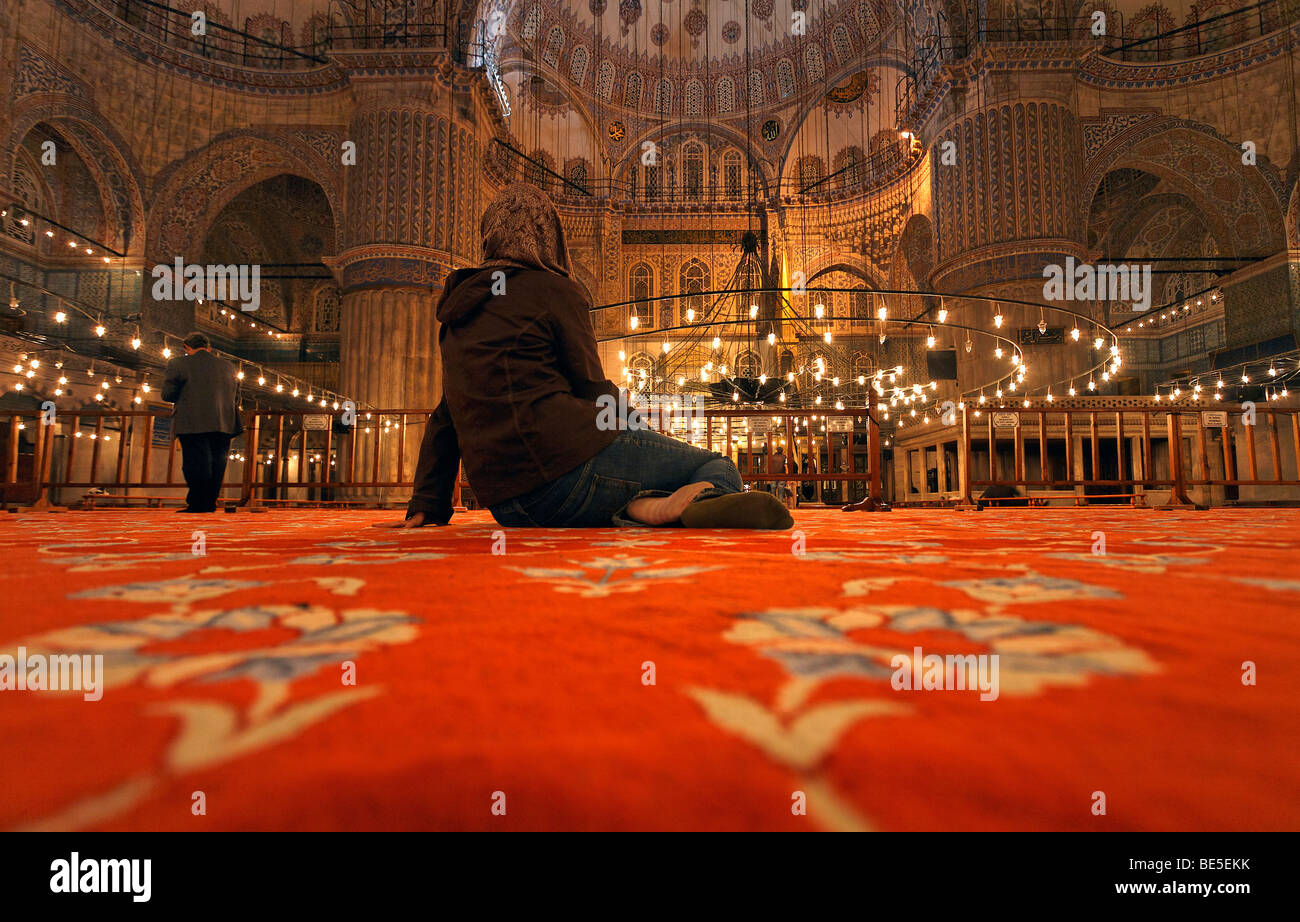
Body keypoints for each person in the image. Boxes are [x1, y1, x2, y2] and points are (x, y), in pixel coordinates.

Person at [396, 184, 792, 530]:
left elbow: (446, 415)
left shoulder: (458, 313)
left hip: (509, 506)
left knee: (631, 476)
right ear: (549, 235)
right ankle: (675, 505)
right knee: (719, 466)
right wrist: (642, 432)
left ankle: (641, 506)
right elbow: (593, 388)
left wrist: (427, 502)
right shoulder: (554, 290)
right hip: (568, 471)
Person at [161, 332, 242, 513]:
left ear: (187, 348)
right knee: (217, 463)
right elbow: (236, 397)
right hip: (224, 422)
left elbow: (167, 395)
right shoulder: (228, 367)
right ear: (209, 348)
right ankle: (209, 503)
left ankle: (197, 504)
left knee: (196, 463)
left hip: (192, 421)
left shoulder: (178, 363)